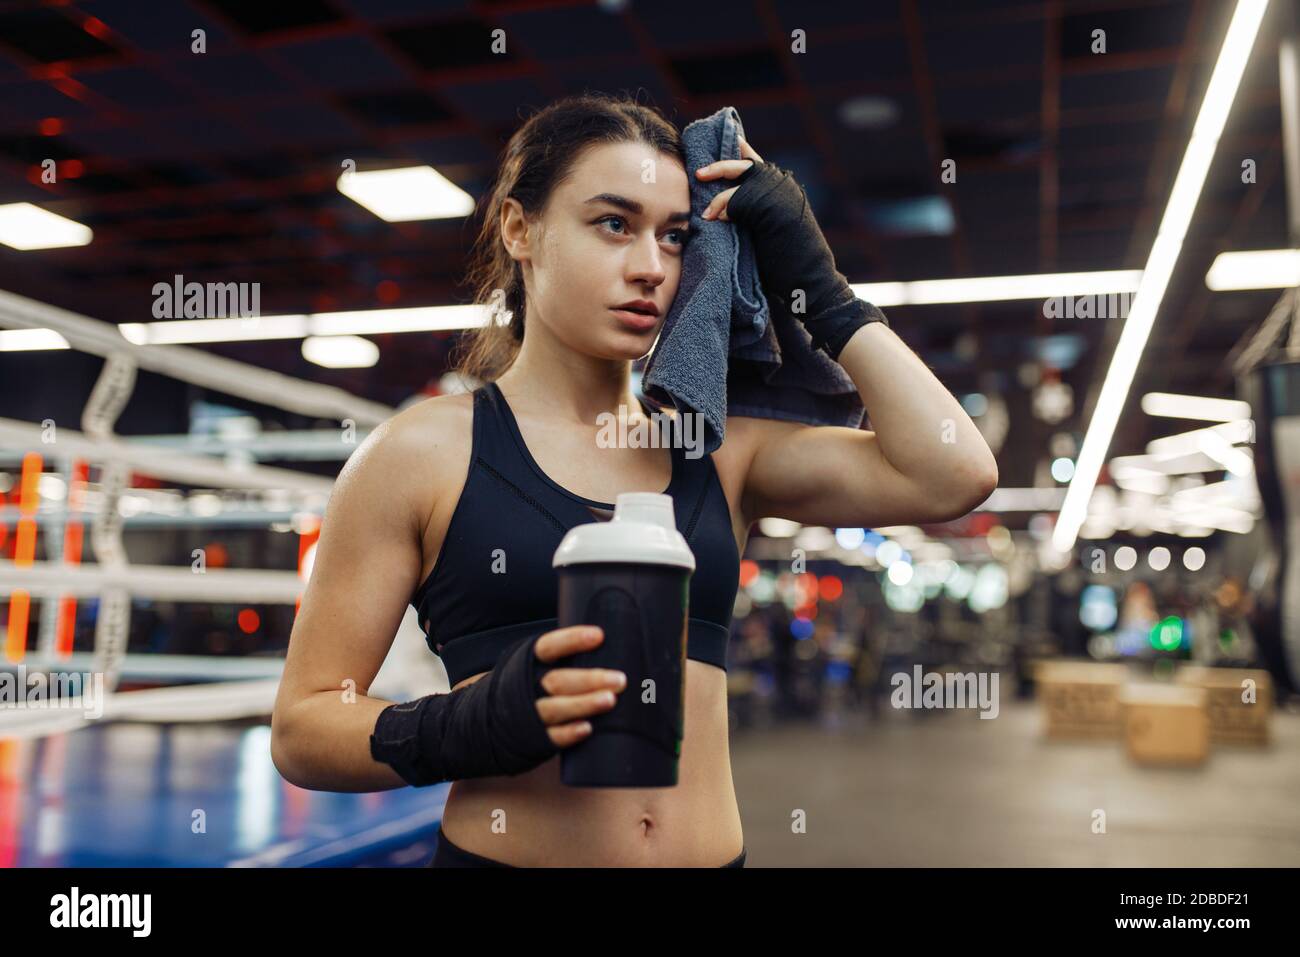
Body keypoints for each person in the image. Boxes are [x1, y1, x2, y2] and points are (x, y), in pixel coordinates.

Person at [270, 92, 998, 867]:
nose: (651, 266)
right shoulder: (420, 453)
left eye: (675, 236)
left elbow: (953, 471)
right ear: (521, 229)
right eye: (613, 223)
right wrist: (469, 722)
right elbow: (303, 728)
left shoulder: (716, 447)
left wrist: (820, 290)